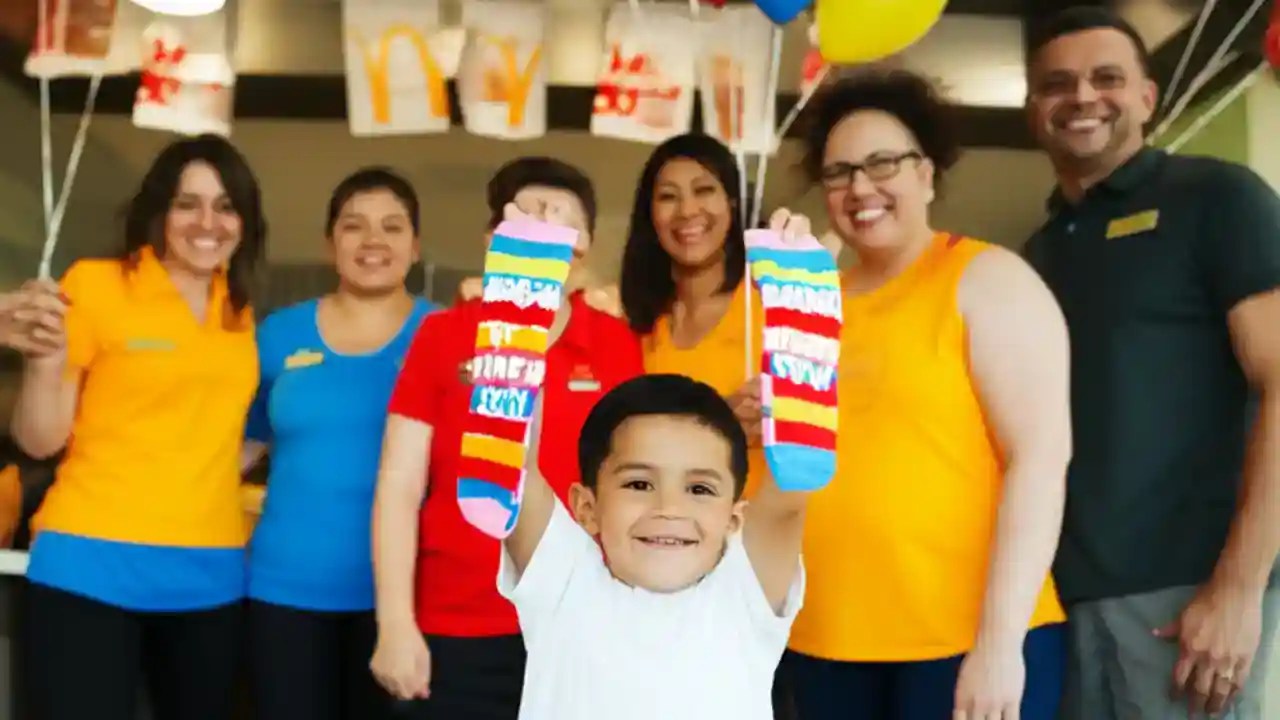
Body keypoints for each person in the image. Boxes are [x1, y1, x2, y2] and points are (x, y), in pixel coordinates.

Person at [777, 70, 1072, 720]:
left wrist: (999, 644)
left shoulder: (987, 278)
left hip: (963, 640)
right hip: (827, 640)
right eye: (839, 172)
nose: (860, 187)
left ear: (928, 174)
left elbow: (1041, 462)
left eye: (883, 162)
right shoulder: (810, 302)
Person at [1022, 8, 1280, 719]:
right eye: (1057, 83)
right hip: (1062, 603)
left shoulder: (1216, 198)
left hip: (1188, 600)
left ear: (1147, 96)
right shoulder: (1038, 252)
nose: (1081, 97)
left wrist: (1237, 590)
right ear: (1032, 109)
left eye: (1107, 78)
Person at [369, 157, 643, 719]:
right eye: (519, 216)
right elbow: (399, 484)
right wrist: (395, 624)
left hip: (581, 619)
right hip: (456, 623)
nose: (536, 225)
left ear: (583, 245)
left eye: (555, 215)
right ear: (494, 239)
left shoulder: (616, 345)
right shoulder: (444, 335)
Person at [8, 134, 267, 720]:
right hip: (89, 567)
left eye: (226, 206)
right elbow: (39, 440)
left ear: (245, 221)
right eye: (187, 203)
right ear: (157, 211)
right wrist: (44, 364)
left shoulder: (241, 311)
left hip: (211, 575)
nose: (208, 222)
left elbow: (231, 430)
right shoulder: (96, 284)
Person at [500, 363, 807, 719]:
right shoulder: (564, 587)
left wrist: (797, 403)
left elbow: (787, 502)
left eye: (699, 489)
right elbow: (511, 471)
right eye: (639, 484)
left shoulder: (743, 596)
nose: (669, 509)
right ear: (587, 507)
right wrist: (510, 371)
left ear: (733, 519)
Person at [240, 167, 436, 720]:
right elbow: (235, 450)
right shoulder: (277, 335)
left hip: (407, 602)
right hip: (283, 593)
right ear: (331, 243)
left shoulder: (447, 336)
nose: (373, 241)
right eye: (354, 226)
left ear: (415, 246)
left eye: (392, 227)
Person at [618, 133, 767, 500]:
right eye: (668, 196)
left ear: (733, 203)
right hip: (670, 542)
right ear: (649, 216)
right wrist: (720, 427)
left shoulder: (773, 307)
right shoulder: (637, 328)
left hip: (764, 543)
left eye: (704, 190)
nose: (687, 211)